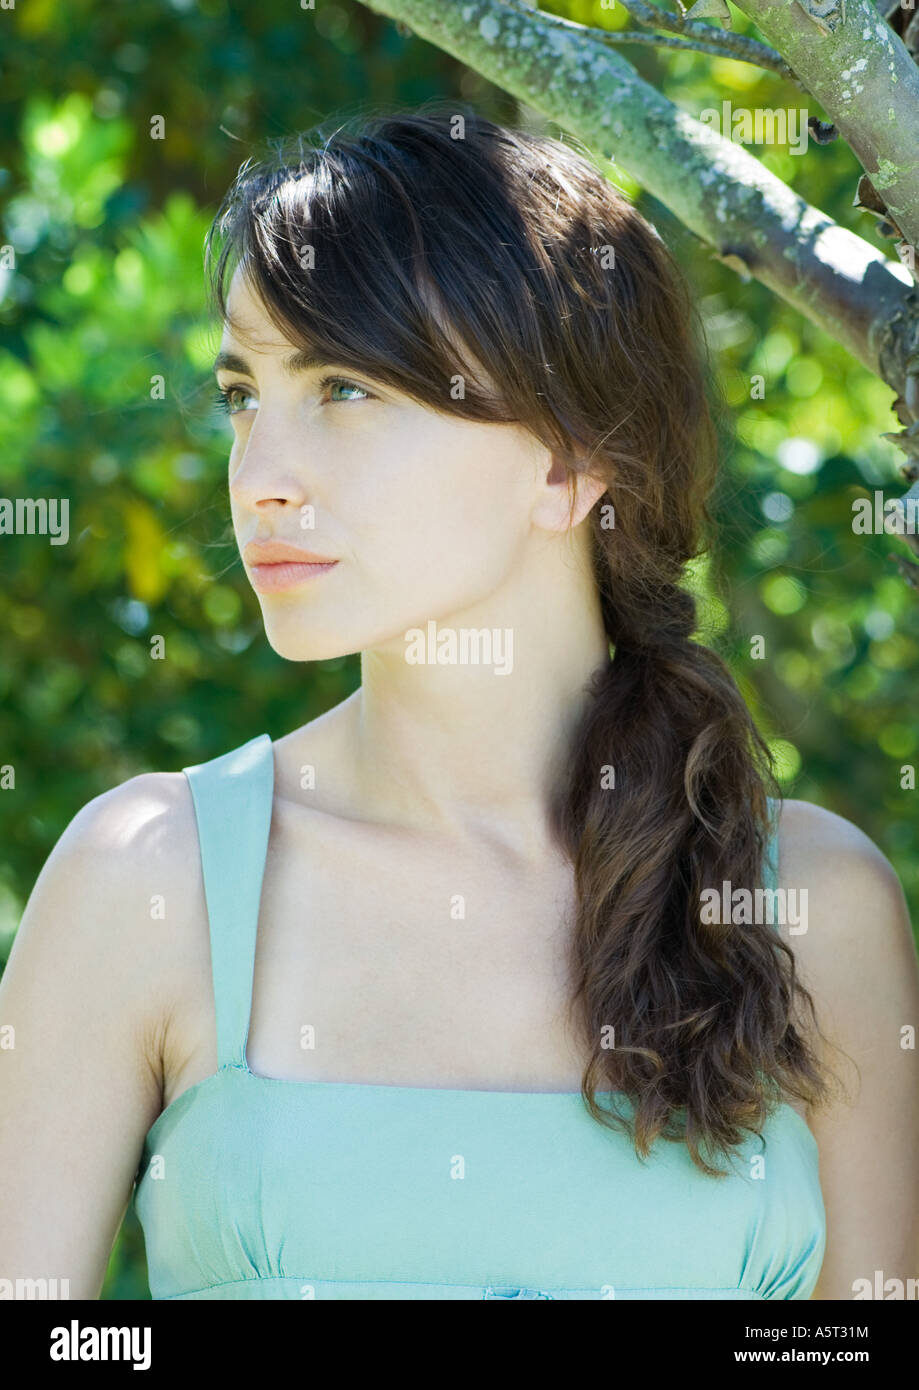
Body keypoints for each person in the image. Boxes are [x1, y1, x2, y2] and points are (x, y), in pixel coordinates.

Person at [2, 104, 917, 1302]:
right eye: (242, 396)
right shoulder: (148, 878)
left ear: (566, 461)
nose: (260, 479)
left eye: (341, 389)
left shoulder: (808, 904)